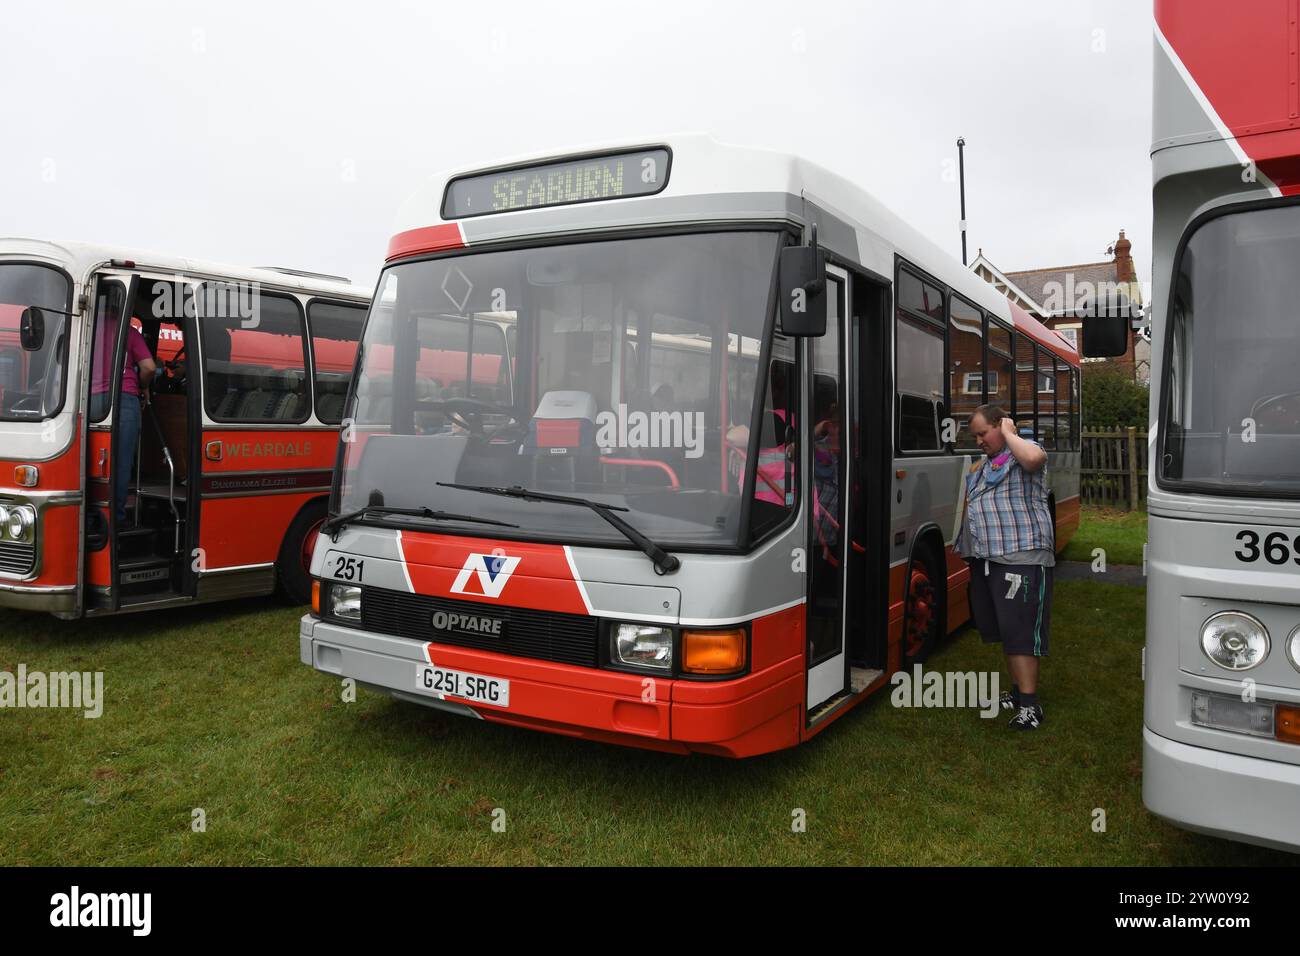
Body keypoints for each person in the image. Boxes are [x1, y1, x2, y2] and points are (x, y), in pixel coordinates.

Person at [955, 404, 1054, 730]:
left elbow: (1034, 459)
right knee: (1006, 630)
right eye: (976, 436)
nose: (979, 441)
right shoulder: (985, 466)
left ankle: (1031, 706)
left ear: (1002, 425)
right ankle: (1016, 692)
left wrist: (1011, 434)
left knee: (1021, 633)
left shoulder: (1025, 454)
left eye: (984, 433)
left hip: (1022, 558)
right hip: (989, 560)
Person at [91, 304, 157, 525]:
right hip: (125, 399)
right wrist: (143, 386)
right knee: (120, 463)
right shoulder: (128, 331)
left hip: (88, 400)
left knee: (93, 461)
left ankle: (90, 518)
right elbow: (148, 367)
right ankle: (114, 522)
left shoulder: (86, 328)